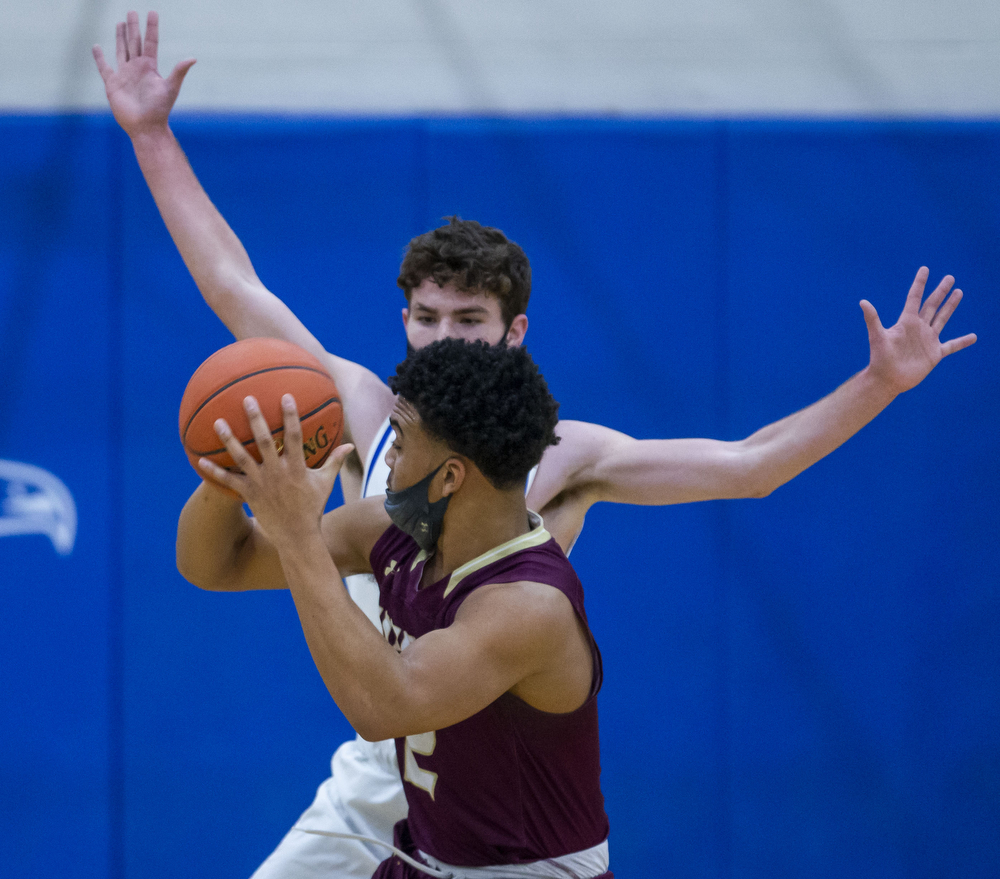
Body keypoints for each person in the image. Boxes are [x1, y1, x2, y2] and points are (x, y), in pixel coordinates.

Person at [94, 11, 978, 878]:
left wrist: (878, 384)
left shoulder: (559, 456)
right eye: (428, 317)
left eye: (468, 320)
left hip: (482, 777)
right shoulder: (361, 410)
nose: (444, 338)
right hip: (385, 775)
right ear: (403, 320)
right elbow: (234, 286)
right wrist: (151, 136)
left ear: (514, 332)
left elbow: (751, 464)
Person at [177, 339, 613, 878]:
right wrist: (232, 472)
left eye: (400, 445)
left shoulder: (528, 605)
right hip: (426, 858)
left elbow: (383, 707)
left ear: (450, 477)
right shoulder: (392, 533)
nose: (386, 460)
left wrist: (298, 535)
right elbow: (218, 564)